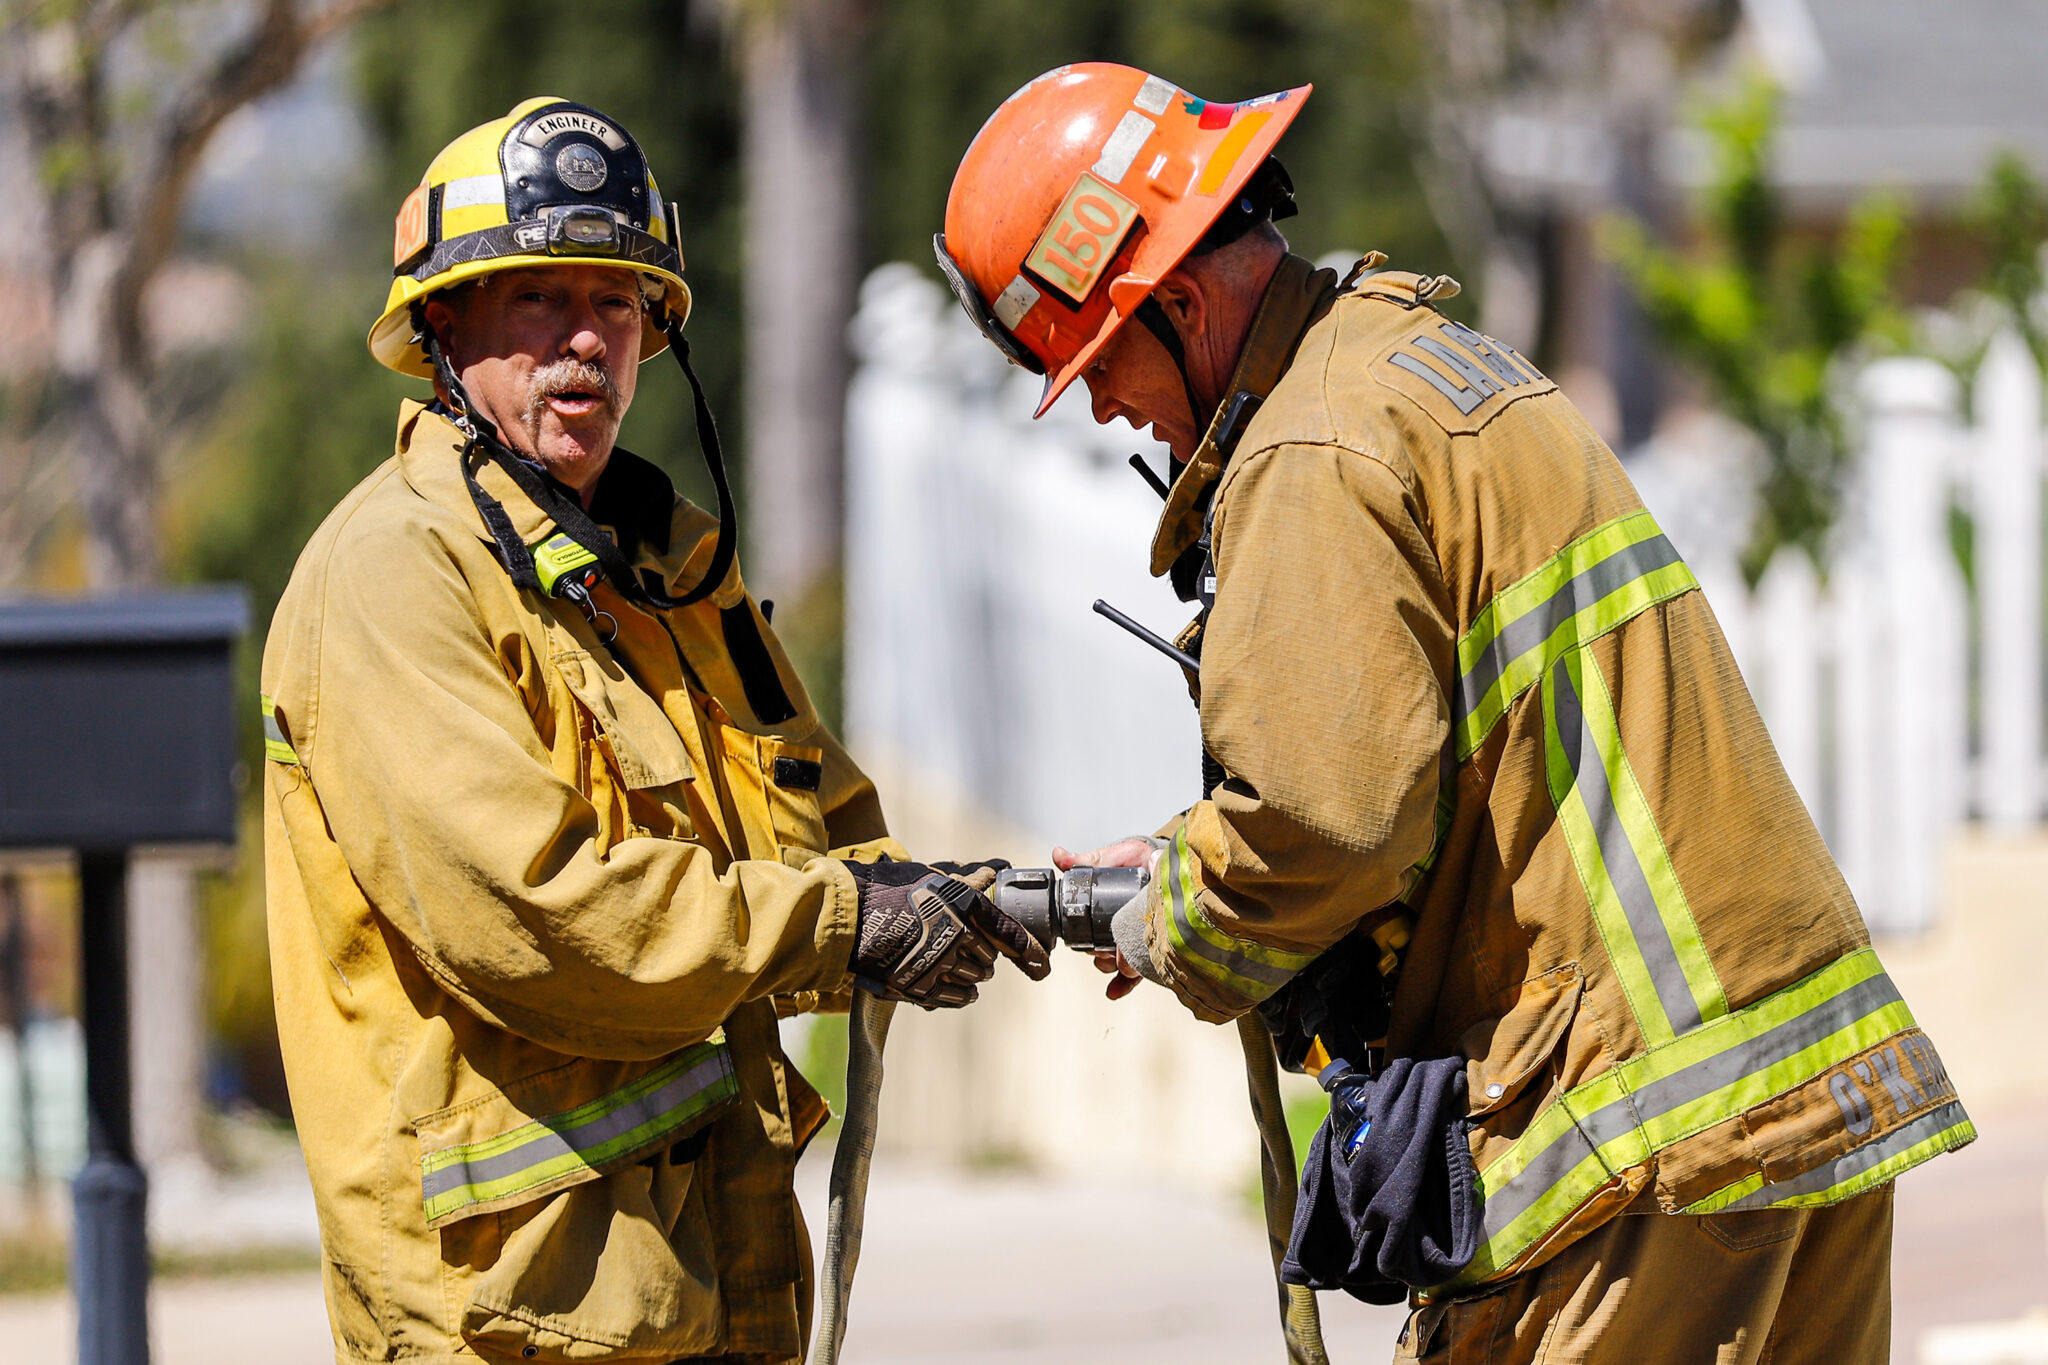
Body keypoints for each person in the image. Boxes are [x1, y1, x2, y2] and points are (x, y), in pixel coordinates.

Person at [936, 63, 1970, 1363]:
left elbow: (1326, 821)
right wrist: (1182, 861)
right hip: (1796, 1090)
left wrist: (1172, 912)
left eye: (1090, 361)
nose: (1096, 403)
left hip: (1636, 1135)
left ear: (1181, 301)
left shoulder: (1311, 451)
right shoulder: (1425, 371)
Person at [261, 97, 1046, 1365]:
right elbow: (540, 918)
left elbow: (821, 825)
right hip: (504, 1311)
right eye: (537, 302)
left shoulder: (668, 564)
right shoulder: (393, 576)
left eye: (618, 305)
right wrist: (845, 928)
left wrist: (971, 898)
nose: (585, 342)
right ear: (443, 328)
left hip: (707, 1278)